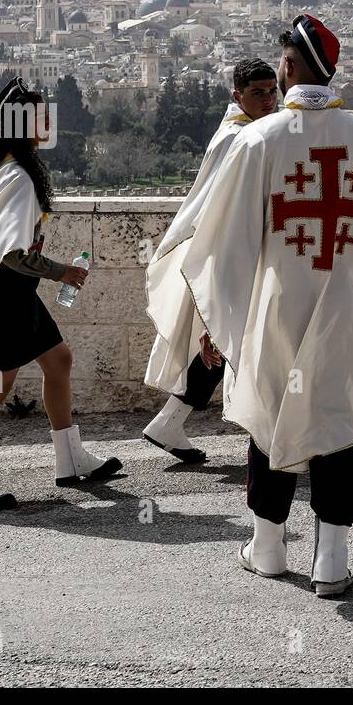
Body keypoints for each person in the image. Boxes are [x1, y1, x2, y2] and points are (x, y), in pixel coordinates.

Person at [178, 14, 353, 597]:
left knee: (270, 413)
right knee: (338, 418)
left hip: (277, 307)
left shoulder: (259, 140)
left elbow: (227, 245)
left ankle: (269, 546)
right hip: (347, 306)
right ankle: (331, 559)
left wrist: (216, 321)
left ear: (289, 66)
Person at [0, 77, 121, 512]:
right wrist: (62, 272)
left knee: (58, 360)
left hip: (16, 295)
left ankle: (70, 459)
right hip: (7, 296)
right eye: (39, 115)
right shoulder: (17, 177)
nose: (47, 120)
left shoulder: (8, 169)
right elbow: (12, 254)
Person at [143, 59, 279, 461]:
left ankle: (169, 421)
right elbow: (219, 209)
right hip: (223, 254)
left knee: (229, 343)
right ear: (237, 95)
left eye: (272, 91)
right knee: (232, 342)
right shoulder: (238, 139)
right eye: (258, 93)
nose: (269, 100)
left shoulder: (246, 132)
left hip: (233, 252)